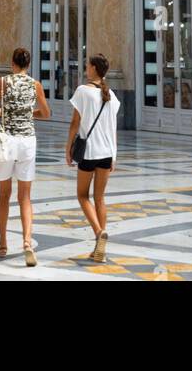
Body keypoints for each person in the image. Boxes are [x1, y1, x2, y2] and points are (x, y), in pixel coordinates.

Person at [0, 47, 50, 266]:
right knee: (25, 196)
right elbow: (46, 113)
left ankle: (3, 243)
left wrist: (2, 112)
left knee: (4, 194)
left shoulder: (2, 82)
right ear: (28, 65)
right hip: (27, 142)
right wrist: (27, 112)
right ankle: (27, 241)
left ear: (12, 62)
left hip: (7, 143)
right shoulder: (35, 84)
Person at [66, 54, 120, 262]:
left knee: (82, 195)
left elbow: (75, 122)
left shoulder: (83, 91)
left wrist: (67, 147)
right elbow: (112, 128)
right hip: (107, 153)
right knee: (100, 199)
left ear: (95, 69)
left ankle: (99, 233)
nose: (86, 68)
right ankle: (100, 250)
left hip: (89, 152)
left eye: (88, 65)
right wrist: (114, 155)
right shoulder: (111, 96)